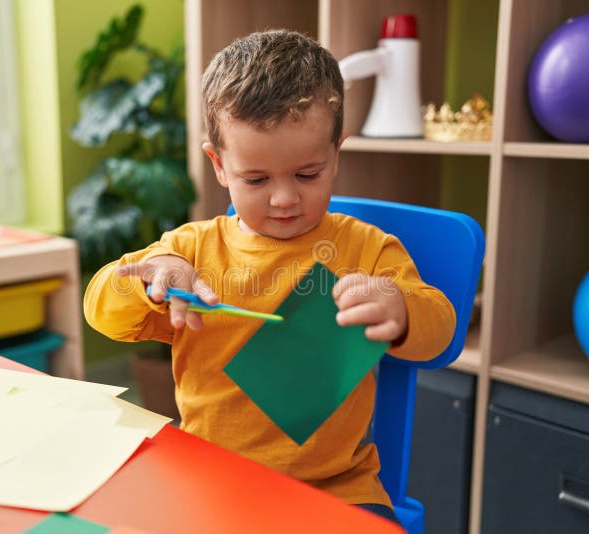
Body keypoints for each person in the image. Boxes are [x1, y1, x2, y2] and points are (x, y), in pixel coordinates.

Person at [84, 29, 455, 524]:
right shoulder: (190, 250)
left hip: (336, 491)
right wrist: (150, 281)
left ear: (336, 154)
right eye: (256, 180)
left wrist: (403, 310)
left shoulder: (365, 249)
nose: (284, 198)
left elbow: (440, 334)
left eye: (308, 174)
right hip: (211, 482)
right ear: (218, 164)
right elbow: (102, 311)